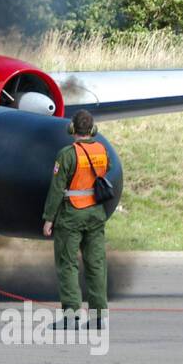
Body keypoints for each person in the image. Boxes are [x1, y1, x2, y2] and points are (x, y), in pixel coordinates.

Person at [41, 109, 110, 331]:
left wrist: (48, 218)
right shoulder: (102, 150)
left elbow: (56, 189)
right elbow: (104, 171)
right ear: (93, 130)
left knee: (68, 265)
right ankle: (99, 317)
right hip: (95, 215)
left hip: (71, 216)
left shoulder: (67, 154)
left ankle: (71, 317)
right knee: (96, 265)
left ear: (72, 129)